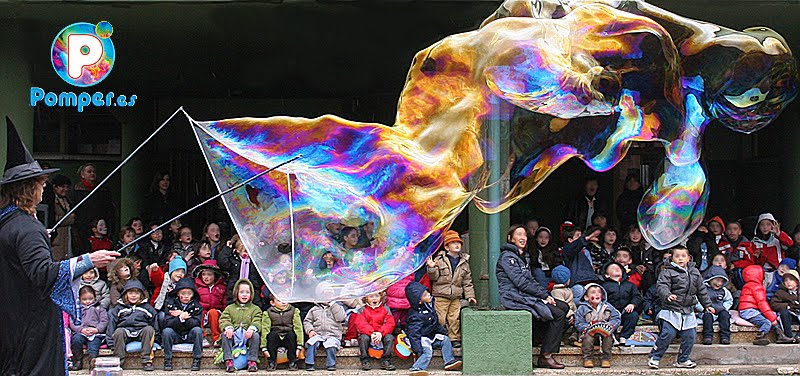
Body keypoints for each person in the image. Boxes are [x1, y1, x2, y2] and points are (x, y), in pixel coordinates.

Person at [0, 117, 119, 375]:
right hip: (30, 328)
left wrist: (35, 236)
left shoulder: (9, 222)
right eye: (42, 184)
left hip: (11, 321)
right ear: (30, 188)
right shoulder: (26, 228)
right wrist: (88, 260)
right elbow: (43, 273)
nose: (44, 188)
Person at [496, 224, 569, 369]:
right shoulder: (507, 257)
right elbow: (520, 282)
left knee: (564, 306)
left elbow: (530, 280)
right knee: (558, 314)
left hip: (525, 295)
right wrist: (543, 295)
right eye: (519, 234)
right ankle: (546, 355)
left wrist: (545, 295)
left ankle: (540, 339)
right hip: (514, 297)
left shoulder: (523, 256)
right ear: (510, 238)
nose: (523, 238)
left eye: (524, 235)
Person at [648, 246, 714, 369]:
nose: (680, 259)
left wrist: (707, 305)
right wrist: (668, 295)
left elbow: (701, 290)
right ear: (672, 258)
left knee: (690, 336)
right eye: (677, 256)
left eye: (683, 256)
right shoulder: (667, 272)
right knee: (668, 334)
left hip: (688, 310)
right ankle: (655, 357)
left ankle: (683, 360)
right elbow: (662, 286)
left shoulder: (694, 272)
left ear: (689, 258)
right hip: (671, 309)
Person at [426, 230, 476, 347]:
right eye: (453, 243)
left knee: (454, 318)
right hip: (441, 295)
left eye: (458, 242)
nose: (457, 245)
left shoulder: (464, 263)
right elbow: (433, 277)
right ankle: (439, 337)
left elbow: (467, 281)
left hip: (455, 296)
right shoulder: (439, 260)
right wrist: (431, 268)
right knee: (440, 318)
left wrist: (470, 295)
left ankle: (454, 339)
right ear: (447, 247)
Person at [405, 282, 463, 376]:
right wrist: (418, 349)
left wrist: (443, 332)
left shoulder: (428, 307)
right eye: (425, 295)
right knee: (428, 352)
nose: (429, 295)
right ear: (419, 300)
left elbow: (435, 322)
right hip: (421, 339)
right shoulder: (415, 315)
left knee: (445, 340)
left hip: (430, 336)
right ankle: (417, 368)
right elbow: (414, 334)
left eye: (427, 292)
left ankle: (449, 361)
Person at [108, 280, 158, 371]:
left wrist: (157, 338)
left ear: (141, 295)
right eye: (130, 293)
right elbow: (112, 324)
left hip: (141, 331)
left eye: (136, 293)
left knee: (149, 329)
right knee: (119, 331)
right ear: (125, 294)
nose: (133, 295)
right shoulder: (119, 308)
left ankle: (147, 360)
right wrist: (111, 342)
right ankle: (119, 361)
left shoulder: (147, 308)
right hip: (125, 331)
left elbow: (154, 323)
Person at [161, 277, 204, 371]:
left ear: (193, 294)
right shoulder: (170, 305)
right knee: (167, 331)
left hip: (189, 334)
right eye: (183, 294)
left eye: (189, 294)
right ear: (178, 293)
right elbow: (167, 323)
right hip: (176, 334)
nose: (186, 296)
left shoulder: (197, 306)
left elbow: (196, 322)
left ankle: (197, 359)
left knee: (198, 330)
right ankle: (167, 360)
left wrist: (184, 316)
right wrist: (179, 318)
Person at [220, 279, 263, 373]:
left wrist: (252, 329)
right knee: (225, 335)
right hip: (234, 334)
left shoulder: (255, 309)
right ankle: (229, 361)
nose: (244, 295)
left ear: (251, 294)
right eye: (241, 292)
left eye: (247, 292)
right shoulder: (230, 308)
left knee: (255, 336)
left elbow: (257, 320)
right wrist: (228, 327)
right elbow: (224, 319)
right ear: (236, 293)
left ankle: (252, 361)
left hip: (247, 335)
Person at [70, 163, 116, 248]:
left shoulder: (103, 190)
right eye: (89, 172)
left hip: (100, 227)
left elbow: (109, 210)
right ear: (82, 175)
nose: (92, 174)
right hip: (82, 228)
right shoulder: (75, 191)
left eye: (94, 172)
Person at [575, 283, 620, 368]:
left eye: (599, 292)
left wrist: (610, 325)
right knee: (588, 337)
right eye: (593, 292)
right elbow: (578, 323)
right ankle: (588, 358)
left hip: (604, 331)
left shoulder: (608, 306)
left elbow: (616, 318)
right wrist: (589, 327)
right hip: (588, 332)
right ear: (586, 297)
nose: (597, 294)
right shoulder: (582, 308)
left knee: (608, 335)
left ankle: (606, 358)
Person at [352, 291, 397, 371]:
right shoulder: (362, 310)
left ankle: (386, 360)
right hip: (368, 333)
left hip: (382, 333)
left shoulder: (385, 309)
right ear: (366, 298)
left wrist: (380, 333)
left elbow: (390, 323)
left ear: (380, 297)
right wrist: (371, 333)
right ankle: (365, 361)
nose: (374, 298)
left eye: (376, 296)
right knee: (363, 338)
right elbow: (361, 323)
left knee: (389, 338)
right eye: (371, 296)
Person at [69, 285, 109, 371]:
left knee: (94, 345)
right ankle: (78, 361)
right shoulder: (76, 309)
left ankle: (92, 362)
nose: (87, 301)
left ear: (95, 297)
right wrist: (81, 329)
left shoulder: (99, 308)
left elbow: (104, 321)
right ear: (79, 299)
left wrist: (97, 329)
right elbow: (72, 322)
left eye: (90, 299)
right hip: (81, 332)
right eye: (84, 299)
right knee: (76, 340)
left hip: (95, 333)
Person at [562, 225, 603, 307]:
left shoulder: (585, 252)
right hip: (577, 284)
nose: (581, 239)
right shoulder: (567, 250)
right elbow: (573, 247)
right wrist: (586, 238)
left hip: (589, 282)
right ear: (570, 240)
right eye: (578, 236)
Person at [738, 265, 779, 346]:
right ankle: (760, 337)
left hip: (746, 310)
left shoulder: (747, 285)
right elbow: (762, 303)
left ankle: (780, 335)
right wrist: (772, 318)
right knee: (766, 322)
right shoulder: (757, 287)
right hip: (750, 311)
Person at [601, 262, 641, 344]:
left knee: (633, 315)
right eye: (613, 268)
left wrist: (632, 304)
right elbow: (602, 300)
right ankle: (611, 337)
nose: (617, 269)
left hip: (625, 311)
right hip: (611, 313)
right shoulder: (604, 286)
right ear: (607, 275)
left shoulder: (630, 285)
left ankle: (624, 336)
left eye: (619, 268)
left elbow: (637, 296)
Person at [260, 294, 303, 372]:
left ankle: (292, 361)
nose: (283, 302)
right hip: (276, 336)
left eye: (285, 299)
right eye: (279, 300)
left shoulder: (293, 311)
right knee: (271, 335)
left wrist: (299, 345)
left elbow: (298, 328)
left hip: (288, 336)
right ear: (272, 303)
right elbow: (265, 329)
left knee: (291, 335)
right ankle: (272, 361)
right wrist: (264, 347)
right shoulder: (268, 312)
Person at [752, 213, 794, 287]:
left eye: (768, 224)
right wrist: (758, 256)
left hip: (778, 270)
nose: (765, 227)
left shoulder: (777, 238)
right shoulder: (755, 242)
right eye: (762, 225)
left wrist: (779, 233)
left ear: (773, 225)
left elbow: (790, 243)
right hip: (762, 272)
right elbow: (754, 260)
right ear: (758, 227)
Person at [303, 301, 346, 371]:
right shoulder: (314, 309)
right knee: (311, 343)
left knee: (331, 345)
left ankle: (331, 364)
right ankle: (309, 363)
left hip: (332, 334)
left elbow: (341, 318)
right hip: (317, 333)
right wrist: (310, 330)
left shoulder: (337, 307)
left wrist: (332, 305)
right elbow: (307, 321)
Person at [194, 259, 228, 344]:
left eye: (209, 274)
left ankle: (217, 338)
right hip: (202, 311)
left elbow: (224, 303)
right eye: (204, 274)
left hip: (216, 312)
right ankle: (202, 337)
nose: (206, 277)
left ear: (215, 276)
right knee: (199, 312)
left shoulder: (221, 287)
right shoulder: (197, 287)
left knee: (213, 312)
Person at [49, 174, 81, 260]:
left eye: (67, 187)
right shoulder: (51, 201)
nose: (65, 189)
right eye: (62, 187)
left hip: (68, 239)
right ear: (55, 187)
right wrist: (70, 218)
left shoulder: (68, 200)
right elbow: (53, 219)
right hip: (57, 241)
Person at [698, 266, 733, 345]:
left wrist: (723, 308)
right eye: (717, 280)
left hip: (720, 310)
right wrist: (703, 308)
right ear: (710, 279)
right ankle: (708, 336)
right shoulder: (703, 289)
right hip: (706, 311)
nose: (719, 283)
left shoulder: (724, 291)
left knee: (725, 315)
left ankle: (725, 336)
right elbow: (696, 301)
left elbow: (729, 300)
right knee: (707, 317)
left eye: (722, 281)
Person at [769, 269, 800, 343]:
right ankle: (789, 336)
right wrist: (787, 306)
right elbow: (774, 304)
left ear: (797, 282)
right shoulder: (780, 293)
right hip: (789, 316)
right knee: (784, 313)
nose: (788, 282)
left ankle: (798, 337)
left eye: (791, 280)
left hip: (798, 314)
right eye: (786, 280)